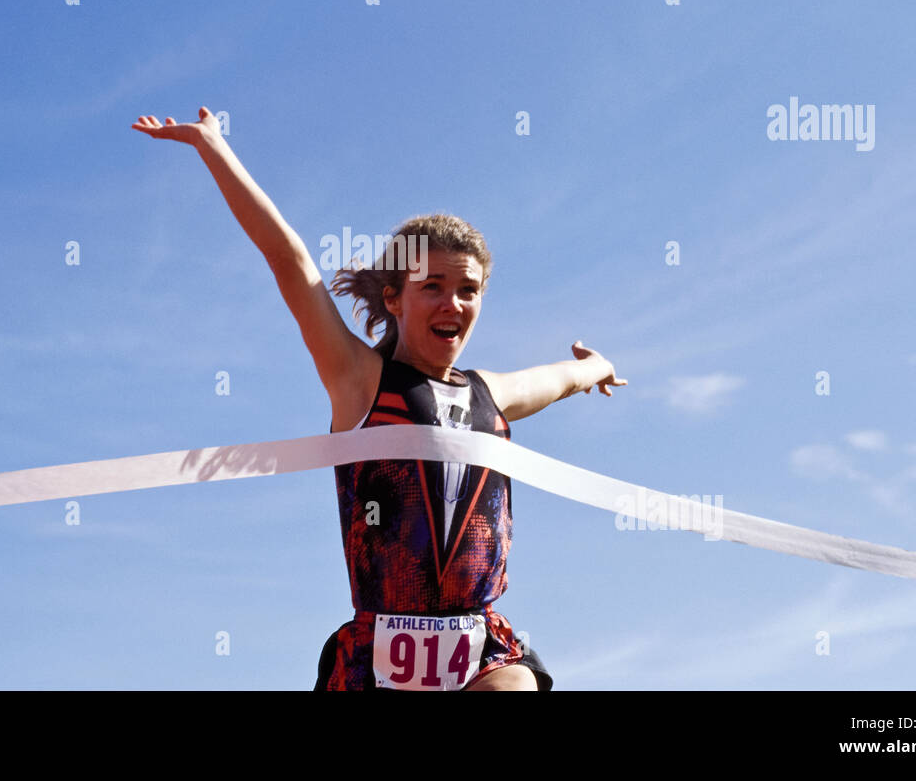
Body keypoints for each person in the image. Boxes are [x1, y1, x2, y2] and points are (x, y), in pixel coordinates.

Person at [132, 107, 627, 690]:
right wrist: (213, 146)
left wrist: (595, 366)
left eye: (468, 290)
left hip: (479, 646)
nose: (453, 304)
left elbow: (559, 380)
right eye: (433, 288)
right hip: (378, 656)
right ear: (394, 298)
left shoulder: (491, 393)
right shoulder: (358, 379)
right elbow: (287, 261)